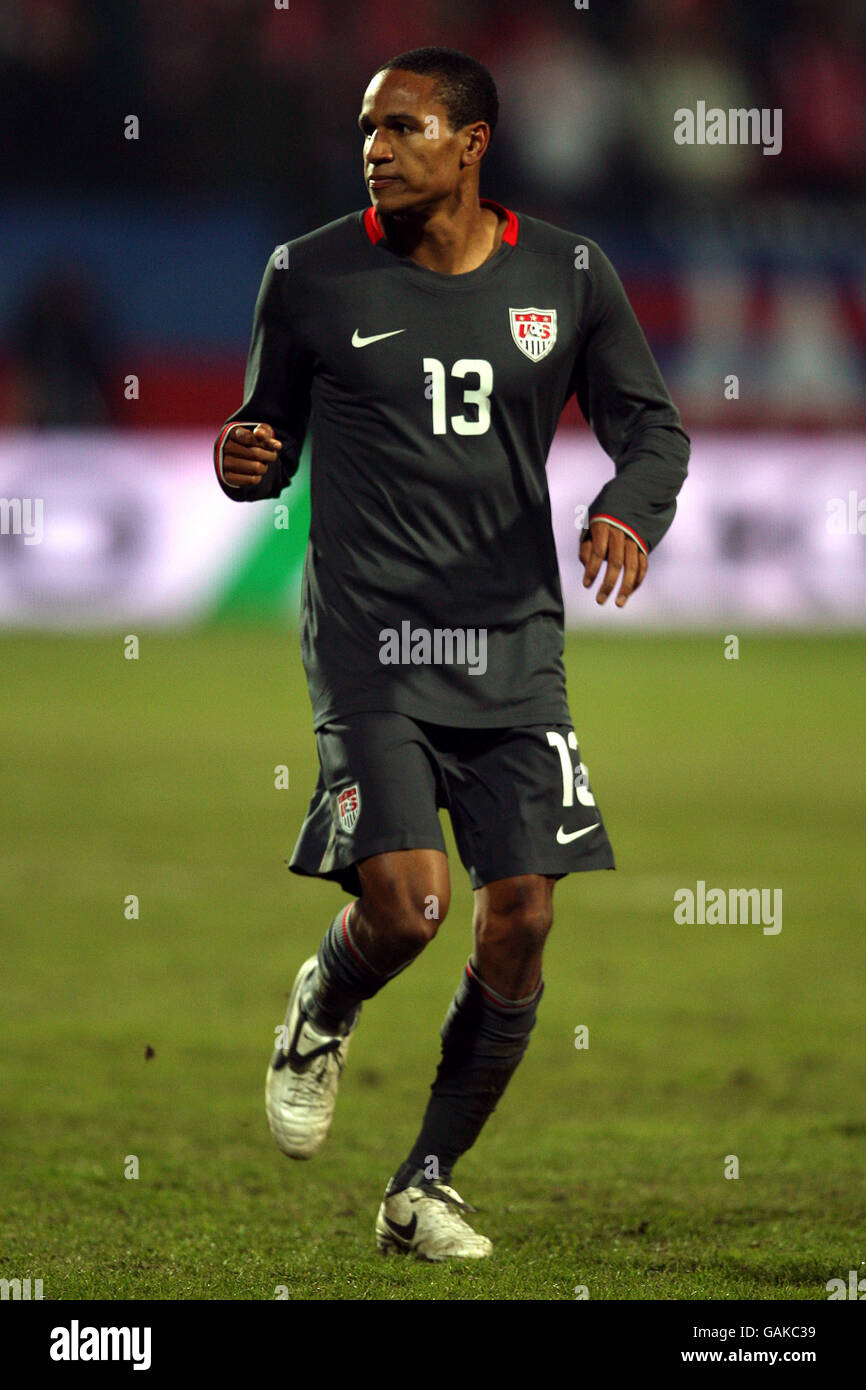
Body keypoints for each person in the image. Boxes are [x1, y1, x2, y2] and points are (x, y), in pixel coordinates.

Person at [214, 46, 689, 1262]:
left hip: (512, 638)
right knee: (412, 908)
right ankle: (325, 1001)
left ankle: (422, 1183)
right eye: (368, 127)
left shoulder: (568, 273)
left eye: (404, 127)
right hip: (372, 636)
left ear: (471, 143)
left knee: (520, 916)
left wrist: (629, 506)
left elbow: (649, 426)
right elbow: (261, 426)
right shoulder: (309, 273)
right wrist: (244, 458)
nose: (375, 147)